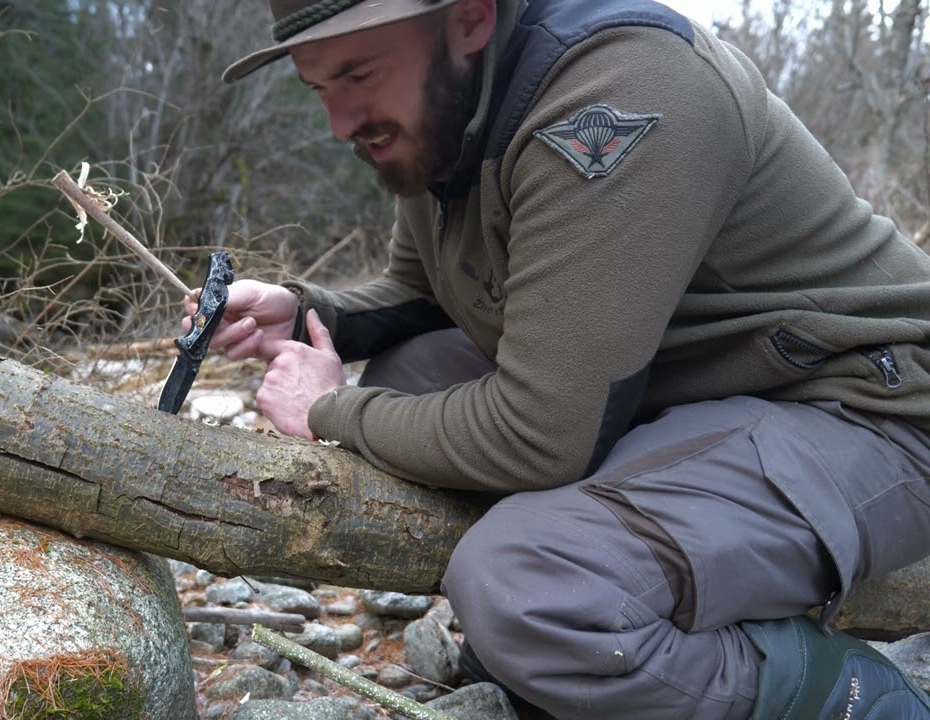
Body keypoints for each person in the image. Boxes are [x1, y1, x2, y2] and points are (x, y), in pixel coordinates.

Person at [200, 0, 930, 717]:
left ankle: (844, 694)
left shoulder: (617, 94)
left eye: (359, 74)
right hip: (685, 385)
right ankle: (595, 618)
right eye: (321, 88)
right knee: (414, 372)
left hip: (865, 408)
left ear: (470, 18)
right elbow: (423, 293)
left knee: (522, 587)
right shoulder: (455, 109)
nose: (340, 124)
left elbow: (538, 435)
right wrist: (307, 312)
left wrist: (330, 409)